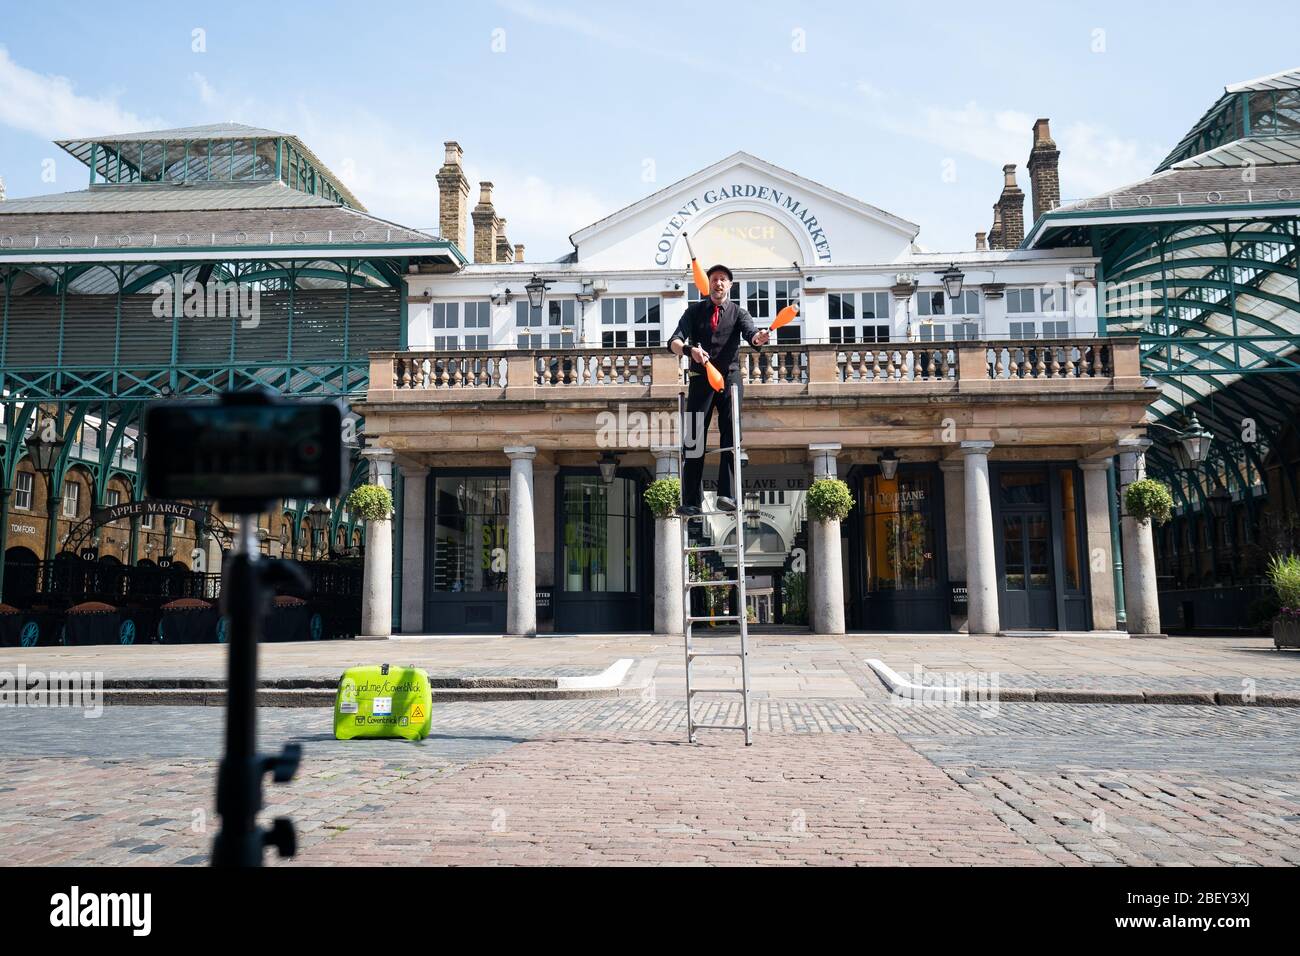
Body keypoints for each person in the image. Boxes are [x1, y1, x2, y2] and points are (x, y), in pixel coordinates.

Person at [667, 263, 769, 517]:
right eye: (714, 279)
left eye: (723, 279)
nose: (718, 283)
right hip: (701, 378)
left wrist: (758, 338)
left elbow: (752, 335)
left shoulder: (738, 312)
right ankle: (691, 500)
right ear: (707, 283)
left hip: (729, 378)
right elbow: (674, 342)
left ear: (730, 285)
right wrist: (690, 351)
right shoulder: (694, 312)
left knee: (731, 434)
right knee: (693, 438)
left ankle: (728, 494)